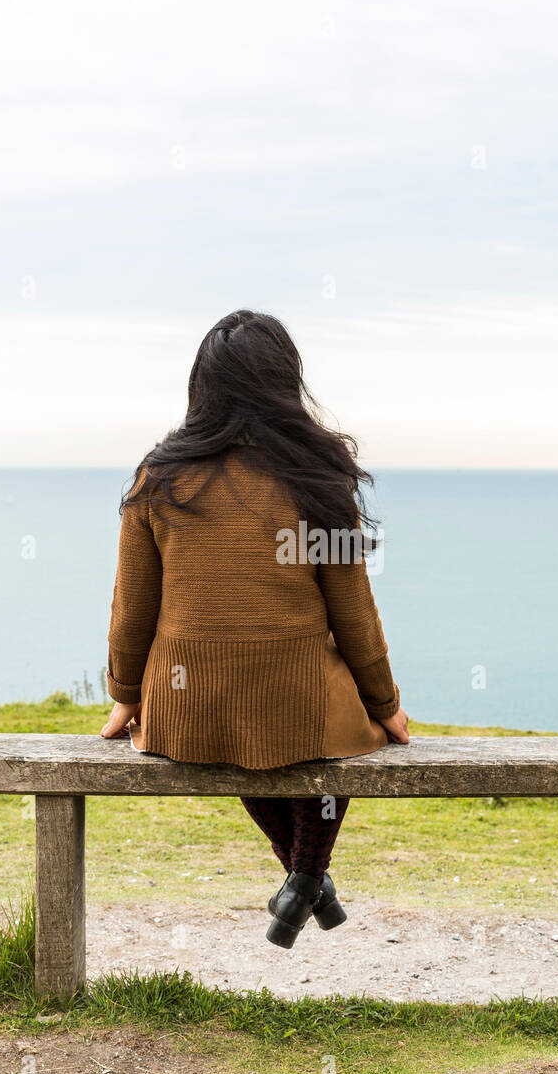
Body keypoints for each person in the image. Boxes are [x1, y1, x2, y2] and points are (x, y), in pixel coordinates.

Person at [101, 309, 408, 948]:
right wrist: (385, 705)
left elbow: (133, 612)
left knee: (240, 730)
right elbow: (354, 614)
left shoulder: (156, 481)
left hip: (189, 708)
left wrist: (127, 696)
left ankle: (304, 880)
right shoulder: (318, 481)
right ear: (285, 384)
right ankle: (306, 877)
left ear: (201, 390)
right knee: (322, 728)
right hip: (300, 705)